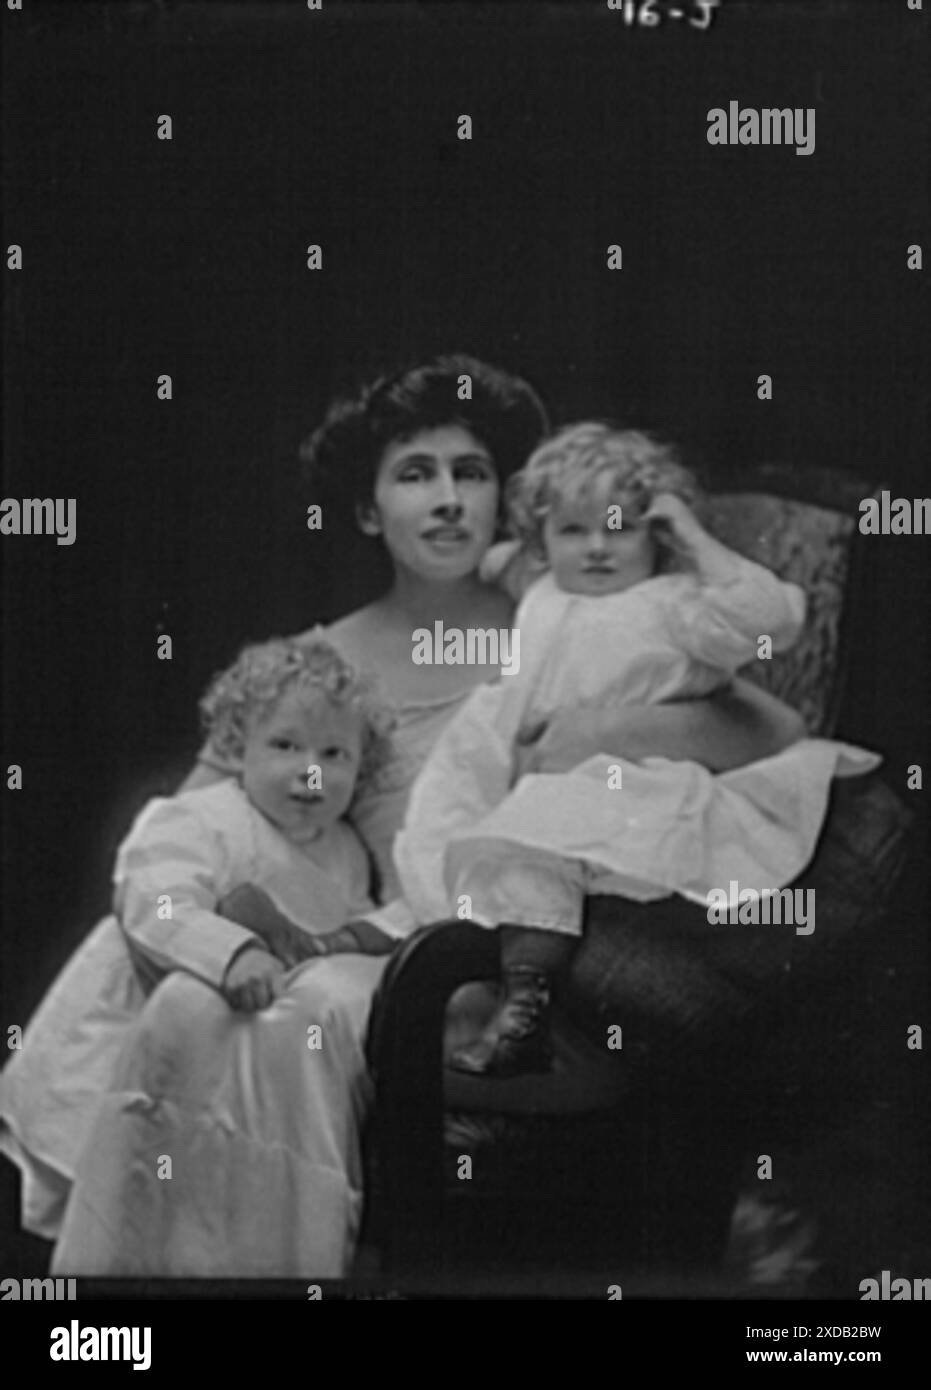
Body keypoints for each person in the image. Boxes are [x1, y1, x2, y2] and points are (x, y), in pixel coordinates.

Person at [0, 355, 806, 1277]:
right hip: (370, 940)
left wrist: (603, 726)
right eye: (414, 475)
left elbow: (772, 726)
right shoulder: (318, 663)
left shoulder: (571, 620)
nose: (448, 500)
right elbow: (199, 819)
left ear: (505, 501)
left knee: (292, 1029)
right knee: (196, 1005)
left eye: (470, 474)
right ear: (365, 509)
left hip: (494, 951)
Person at [394, 424, 879, 1076]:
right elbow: (506, 559)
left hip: (634, 780)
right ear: (544, 541)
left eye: (619, 528)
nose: (596, 548)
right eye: (573, 531)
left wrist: (694, 540)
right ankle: (470, 968)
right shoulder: (544, 590)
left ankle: (524, 1005)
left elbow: (771, 619)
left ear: (654, 535)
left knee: (537, 835)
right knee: (458, 830)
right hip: (537, 762)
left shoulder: (675, 605)